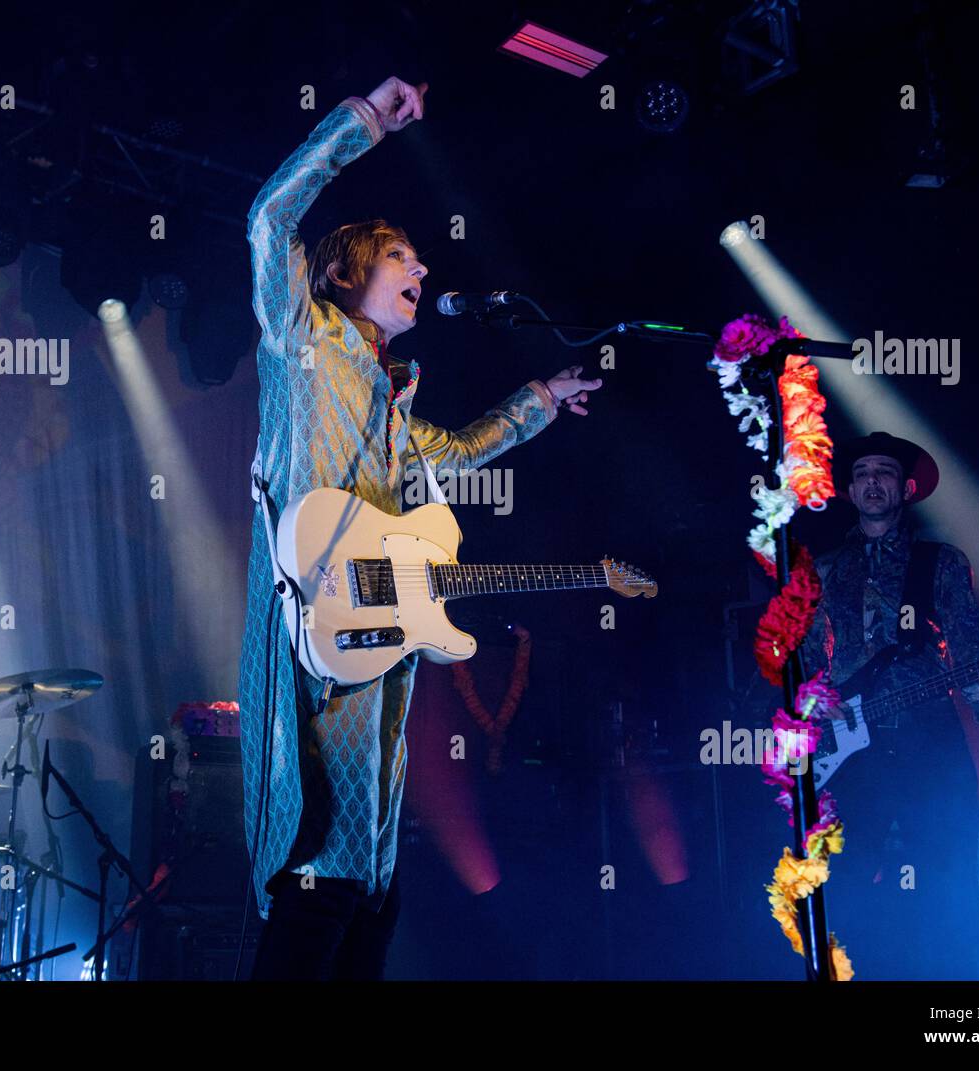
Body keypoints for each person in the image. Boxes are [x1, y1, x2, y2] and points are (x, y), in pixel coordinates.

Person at [239, 76, 602, 980]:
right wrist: (363, 122)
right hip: (307, 620)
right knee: (321, 845)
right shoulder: (302, 334)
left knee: (373, 863)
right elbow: (268, 215)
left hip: (380, 628)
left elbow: (459, 453)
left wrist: (540, 399)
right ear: (344, 271)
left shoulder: (397, 398)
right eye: (401, 254)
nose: (424, 269)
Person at [802, 431, 979, 979]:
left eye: (883, 472)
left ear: (904, 488)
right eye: (862, 474)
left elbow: (969, 657)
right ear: (850, 489)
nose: (872, 482)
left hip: (928, 736)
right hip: (850, 749)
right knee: (846, 887)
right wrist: (815, 700)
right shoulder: (825, 568)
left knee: (948, 872)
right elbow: (808, 656)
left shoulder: (942, 562)